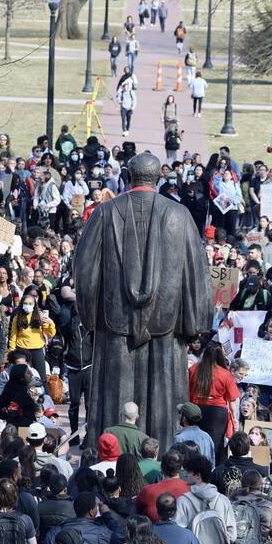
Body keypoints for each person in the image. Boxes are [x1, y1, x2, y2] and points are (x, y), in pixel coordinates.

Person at [75, 152, 212, 451]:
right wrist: (196, 323)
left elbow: (84, 271)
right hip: (166, 322)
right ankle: (162, 459)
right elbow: (197, 270)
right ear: (159, 178)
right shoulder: (179, 215)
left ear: (127, 175)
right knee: (163, 399)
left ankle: (110, 456)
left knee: (114, 397)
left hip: (114, 322)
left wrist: (90, 317)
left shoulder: (105, 212)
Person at [188, 344, 240, 465]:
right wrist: (234, 418)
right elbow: (232, 402)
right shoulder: (225, 374)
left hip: (197, 410)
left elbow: (189, 392)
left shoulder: (193, 369)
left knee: (197, 443)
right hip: (217, 414)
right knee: (216, 446)